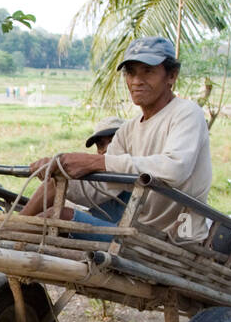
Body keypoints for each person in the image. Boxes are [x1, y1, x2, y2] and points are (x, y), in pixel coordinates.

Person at [20, 36, 212, 244]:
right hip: (138, 231)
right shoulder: (128, 130)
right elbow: (102, 187)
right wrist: (59, 171)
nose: (137, 81)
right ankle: (7, 232)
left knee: (59, 217)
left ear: (171, 76)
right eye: (131, 73)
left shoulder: (186, 113)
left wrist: (95, 161)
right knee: (52, 188)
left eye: (148, 71)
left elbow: (175, 168)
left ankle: (7, 237)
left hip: (178, 238)